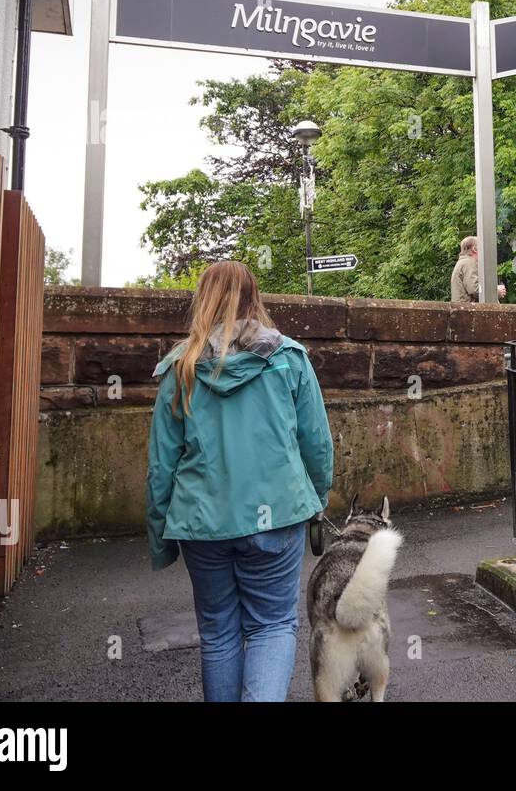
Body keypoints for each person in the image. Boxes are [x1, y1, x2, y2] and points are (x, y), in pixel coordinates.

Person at [146, 260, 334, 702]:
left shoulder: (180, 369)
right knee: (272, 625)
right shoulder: (289, 359)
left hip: (202, 523)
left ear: (202, 300)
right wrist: (316, 501)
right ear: (256, 297)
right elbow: (318, 445)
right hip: (277, 516)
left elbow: (161, 465)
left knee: (217, 631)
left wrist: (160, 539)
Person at [450, 235, 505, 303]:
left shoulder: (463, 262)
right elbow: (474, 290)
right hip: (469, 310)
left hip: (463, 309)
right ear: (474, 249)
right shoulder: (469, 263)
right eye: (481, 247)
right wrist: (496, 291)